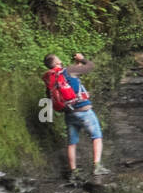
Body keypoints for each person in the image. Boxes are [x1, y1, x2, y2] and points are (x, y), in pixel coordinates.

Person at [42, 53, 109, 181]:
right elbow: (90, 66)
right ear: (56, 63)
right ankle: (97, 166)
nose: (60, 59)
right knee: (97, 137)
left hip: (69, 113)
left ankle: (74, 171)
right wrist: (81, 59)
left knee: (72, 143)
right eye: (58, 58)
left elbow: (50, 97)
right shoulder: (69, 70)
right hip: (84, 110)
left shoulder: (50, 78)